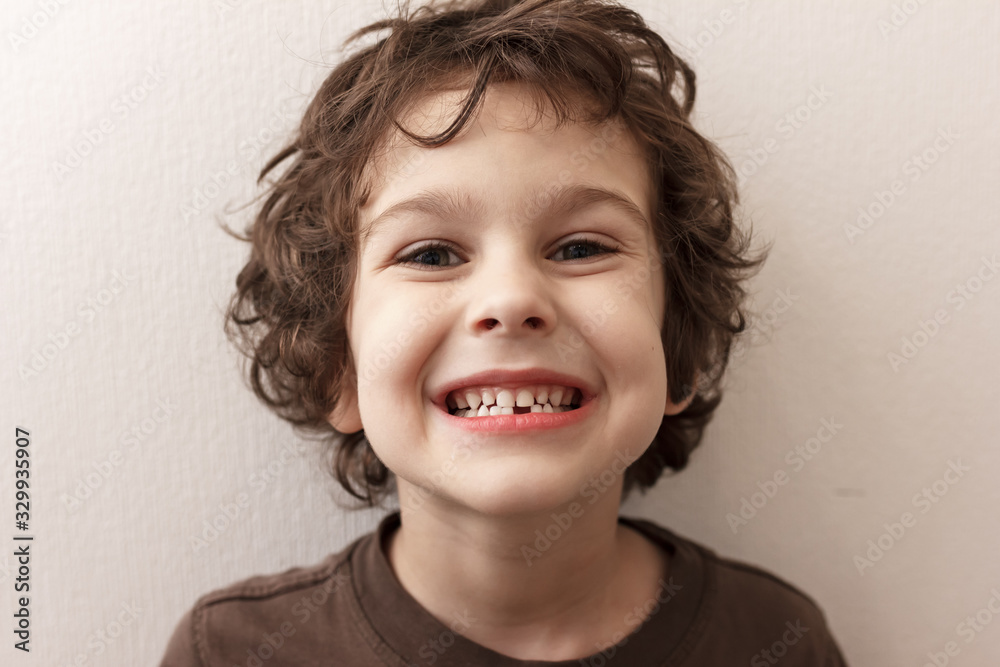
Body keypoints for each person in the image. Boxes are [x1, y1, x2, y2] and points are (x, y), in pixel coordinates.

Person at [161, 0, 848, 664]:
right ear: (338, 365)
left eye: (581, 248)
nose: (512, 300)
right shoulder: (232, 653)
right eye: (430, 255)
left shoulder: (777, 642)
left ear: (679, 344)